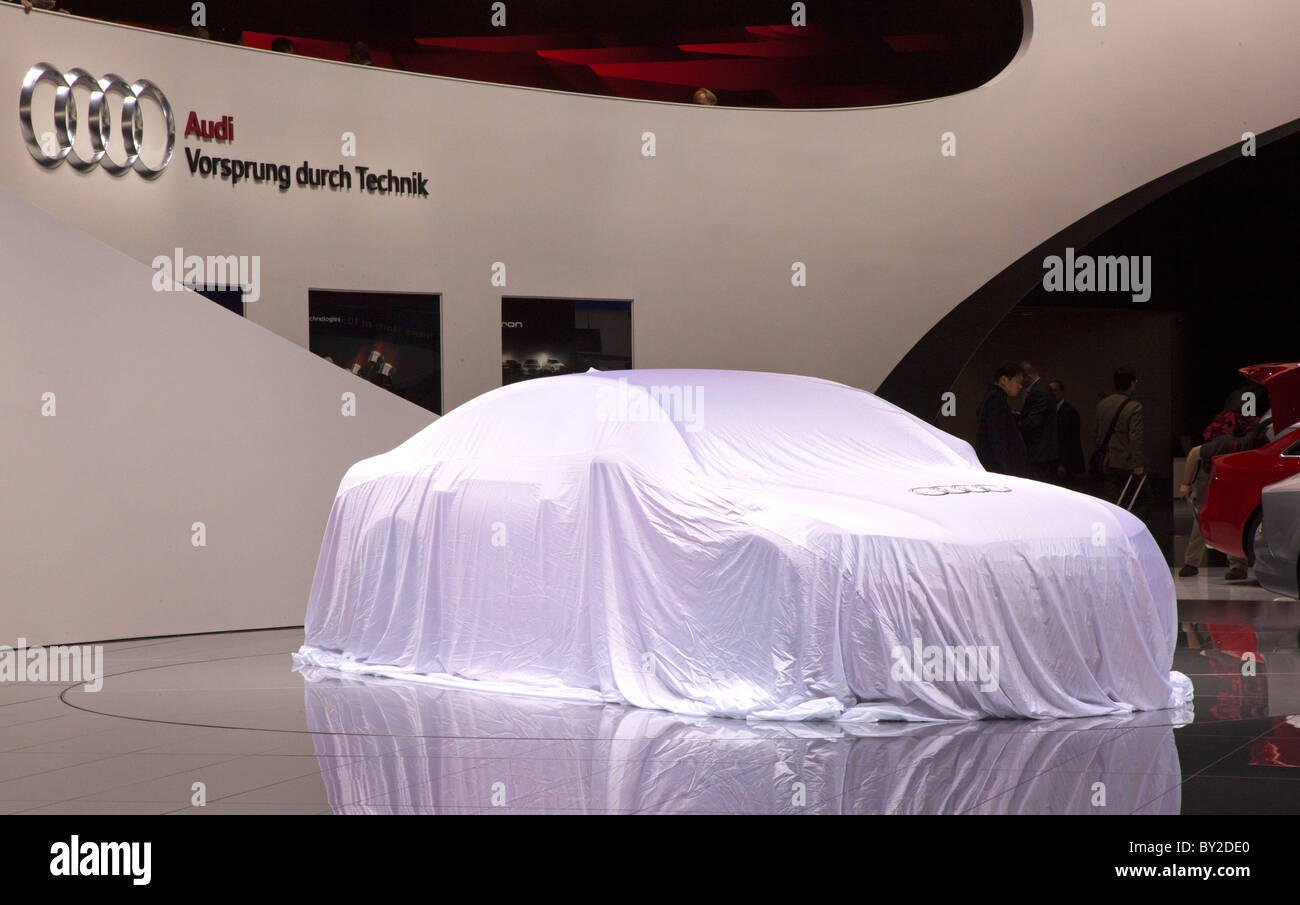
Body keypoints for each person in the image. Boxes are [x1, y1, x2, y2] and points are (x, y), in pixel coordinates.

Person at [1095, 366, 1145, 506]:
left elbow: (1097, 433)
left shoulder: (1103, 404)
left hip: (1107, 459)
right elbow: (1136, 437)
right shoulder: (1134, 407)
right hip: (1126, 462)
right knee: (1141, 501)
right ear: (1131, 383)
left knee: (1113, 502)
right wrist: (1138, 463)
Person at [976, 362, 1029, 477]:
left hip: (999, 467)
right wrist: (1006, 469)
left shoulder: (995, 399)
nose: (1020, 386)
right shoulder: (996, 401)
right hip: (1001, 469)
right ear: (1004, 380)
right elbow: (997, 438)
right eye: (1018, 382)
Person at [1018, 361, 1060, 482]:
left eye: (1021, 379)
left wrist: (1016, 424)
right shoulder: (1041, 389)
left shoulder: (1040, 391)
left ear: (1028, 376)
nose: (1020, 384)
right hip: (1042, 451)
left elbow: (1034, 421)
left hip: (1040, 451)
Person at [1050, 380, 1085, 484]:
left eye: (1054, 391)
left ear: (1061, 392)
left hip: (1066, 463)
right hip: (1052, 461)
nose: (1052, 394)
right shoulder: (1048, 411)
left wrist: (1063, 464)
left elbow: (1071, 441)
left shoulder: (1070, 412)